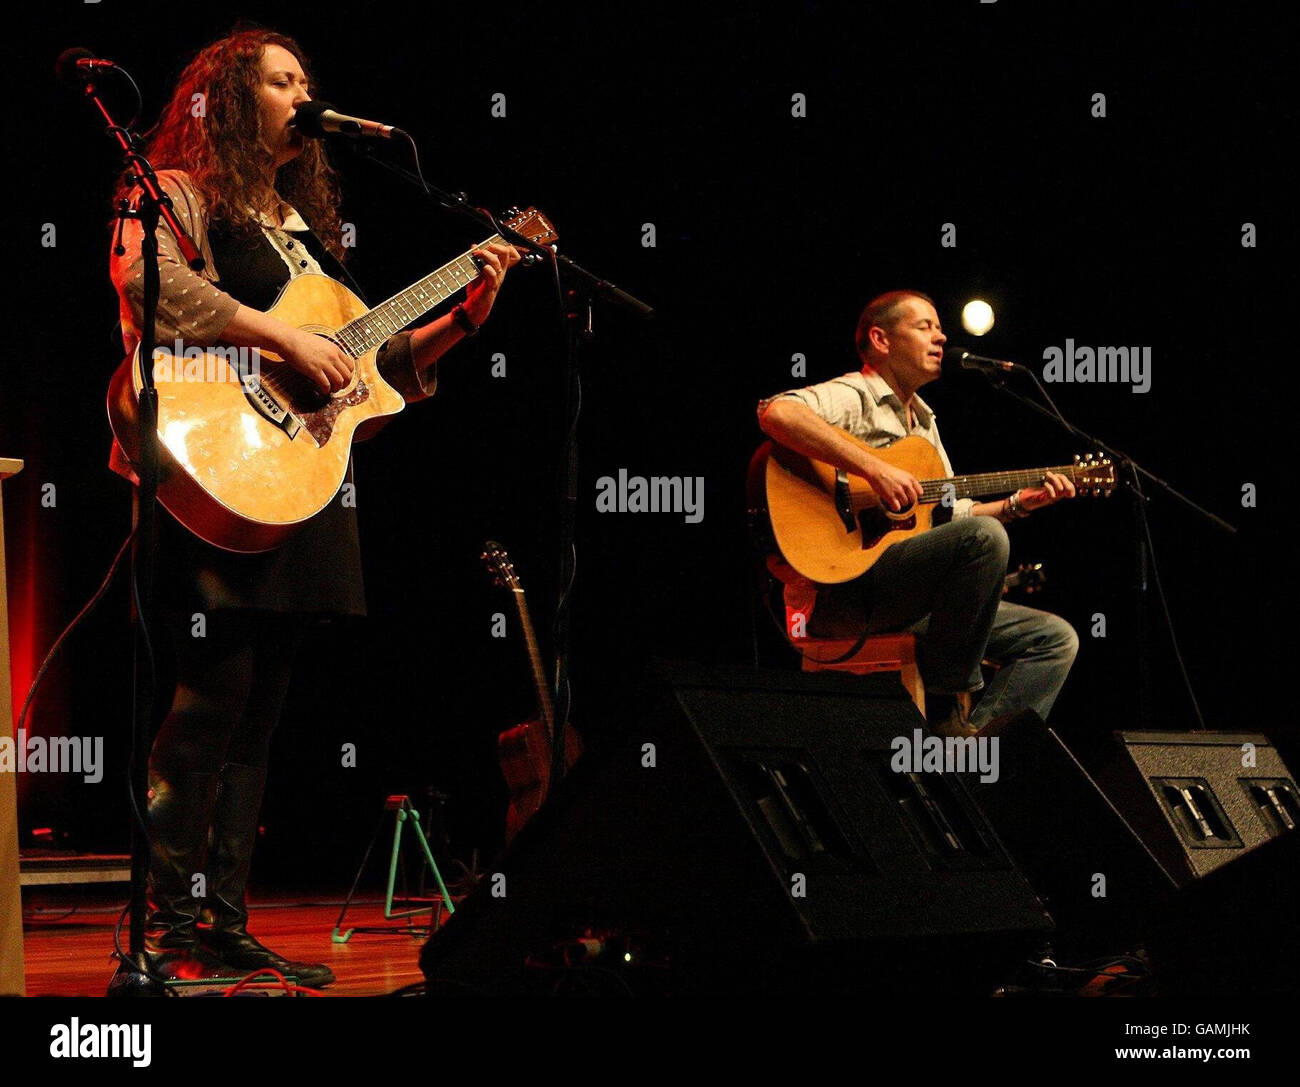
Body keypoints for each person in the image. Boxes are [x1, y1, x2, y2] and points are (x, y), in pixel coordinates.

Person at [107, 28, 520, 986]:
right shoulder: (174, 189)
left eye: (306, 79)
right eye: (282, 79)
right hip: (211, 465)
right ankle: (168, 926)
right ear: (227, 98)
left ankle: (224, 918)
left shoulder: (301, 232)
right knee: (208, 699)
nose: (304, 92)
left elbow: (368, 376)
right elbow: (146, 284)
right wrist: (278, 341)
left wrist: (462, 317)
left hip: (294, 486)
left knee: (261, 718)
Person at [756, 290, 1079, 736]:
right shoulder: (857, 394)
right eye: (924, 326)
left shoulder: (925, 423)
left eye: (940, 328)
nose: (941, 337)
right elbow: (777, 412)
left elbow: (949, 517)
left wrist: (1016, 504)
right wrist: (873, 468)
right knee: (984, 538)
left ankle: (981, 756)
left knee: (1053, 641)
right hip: (843, 592)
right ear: (881, 339)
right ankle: (949, 709)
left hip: (906, 594)